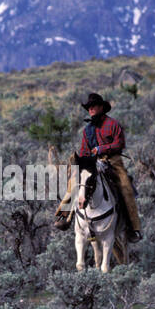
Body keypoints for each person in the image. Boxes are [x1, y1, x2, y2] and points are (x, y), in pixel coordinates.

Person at [54, 92, 142, 240]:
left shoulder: (113, 124)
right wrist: (82, 160)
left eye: (93, 106)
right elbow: (83, 150)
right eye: (89, 107)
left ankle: (133, 228)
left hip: (113, 160)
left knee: (126, 187)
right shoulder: (87, 130)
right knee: (74, 182)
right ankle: (65, 216)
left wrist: (102, 149)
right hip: (92, 162)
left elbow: (119, 143)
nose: (91, 109)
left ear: (101, 107)